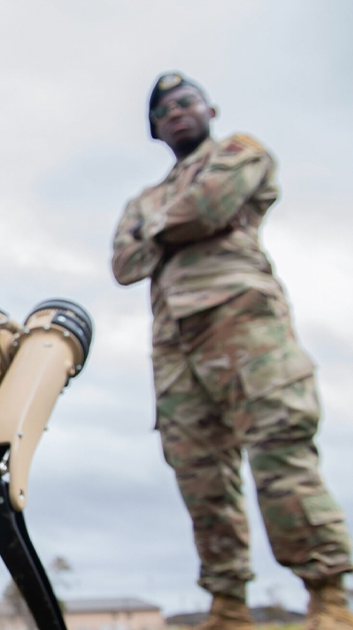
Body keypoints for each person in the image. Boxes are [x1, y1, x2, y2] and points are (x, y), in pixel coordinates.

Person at [112, 72, 353, 630]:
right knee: (200, 475)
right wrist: (170, 226)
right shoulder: (141, 199)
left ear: (210, 110)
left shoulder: (240, 152)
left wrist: (154, 232)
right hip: (174, 346)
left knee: (280, 451)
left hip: (244, 326)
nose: (176, 113)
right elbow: (123, 265)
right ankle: (227, 605)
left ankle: (327, 596)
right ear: (155, 130)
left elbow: (208, 207)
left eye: (186, 102)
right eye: (164, 111)